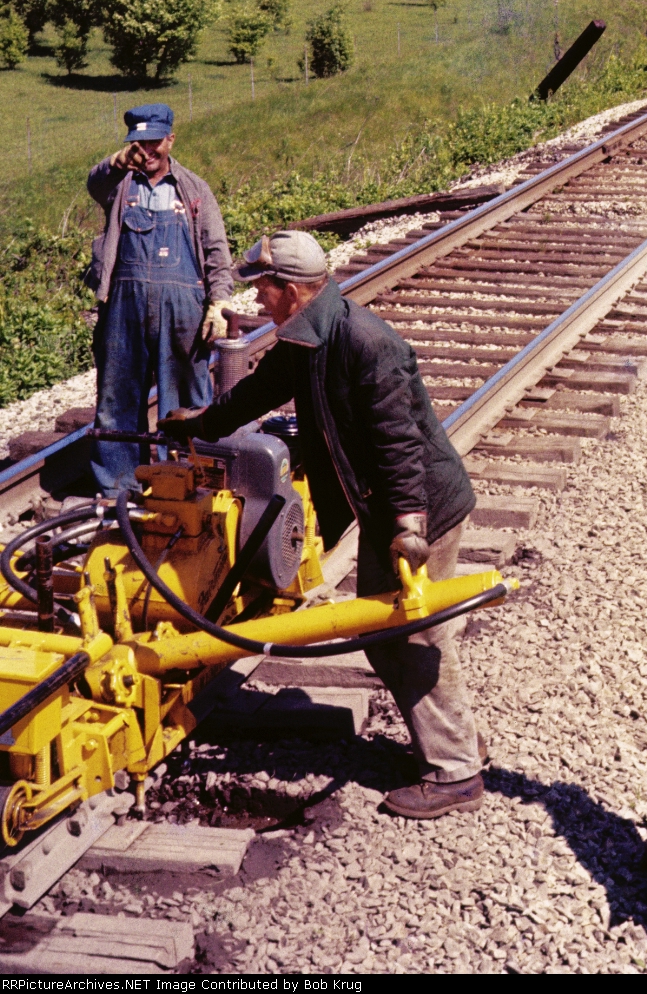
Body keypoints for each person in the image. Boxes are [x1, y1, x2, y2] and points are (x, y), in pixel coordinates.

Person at [158, 229, 485, 821]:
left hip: (419, 508)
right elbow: (257, 392)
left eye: (262, 289)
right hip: (391, 506)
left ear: (290, 289)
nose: (256, 301)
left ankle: (457, 771)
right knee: (387, 635)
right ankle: (458, 745)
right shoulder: (308, 337)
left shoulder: (364, 341)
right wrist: (199, 427)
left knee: (411, 634)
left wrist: (409, 525)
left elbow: (399, 442)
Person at [87, 104, 233, 496]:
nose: (146, 152)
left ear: (171, 138)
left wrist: (218, 303)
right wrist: (116, 162)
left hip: (182, 310)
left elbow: (216, 250)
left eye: (154, 143)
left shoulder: (194, 189)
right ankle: (120, 489)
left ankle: (186, 481)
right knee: (117, 398)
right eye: (138, 144)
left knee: (185, 398)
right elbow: (95, 182)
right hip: (124, 306)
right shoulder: (119, 185)